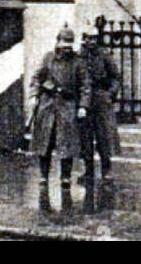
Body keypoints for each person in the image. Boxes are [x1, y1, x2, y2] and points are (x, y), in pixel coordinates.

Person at [30, 24, 89, 189]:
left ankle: (65, 177)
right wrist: (34, 95)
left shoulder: (78, 62)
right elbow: (36, 78)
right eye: (63, 45)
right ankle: (43, 176)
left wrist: (83, 106)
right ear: (57, 43)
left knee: (66, 143)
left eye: (69, 45)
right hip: (48, 104)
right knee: (45, 142)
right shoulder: (48, 58)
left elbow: (85, 86)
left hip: (68, 105)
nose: (66, 49)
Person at [79, 24, 121, 182]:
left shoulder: (104, 55)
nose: (90, 41)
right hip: (84, 101)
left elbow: (115, 77)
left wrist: (110, 94)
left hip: (101, 98)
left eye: (94, 38)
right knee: (85, 137)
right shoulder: (80, 57)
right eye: (88, 38)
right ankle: (88, 170)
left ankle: (106, 169)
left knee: (104, 136)